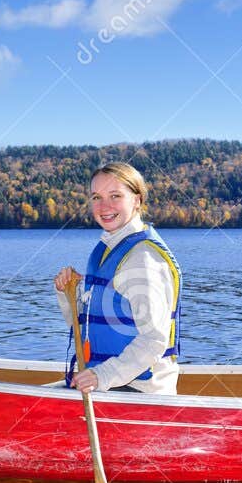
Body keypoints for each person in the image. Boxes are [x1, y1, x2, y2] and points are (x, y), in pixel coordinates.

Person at [52, 162, 182, 395]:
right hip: (108, 384)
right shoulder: (107, 249)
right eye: (96, 197)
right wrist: (67, 294)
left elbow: (154, 340)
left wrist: (102, 375)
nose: (104, 206)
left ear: (137, 200)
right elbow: (85, 327)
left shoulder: (143, 258)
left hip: (140, 392)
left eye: (115, 196)